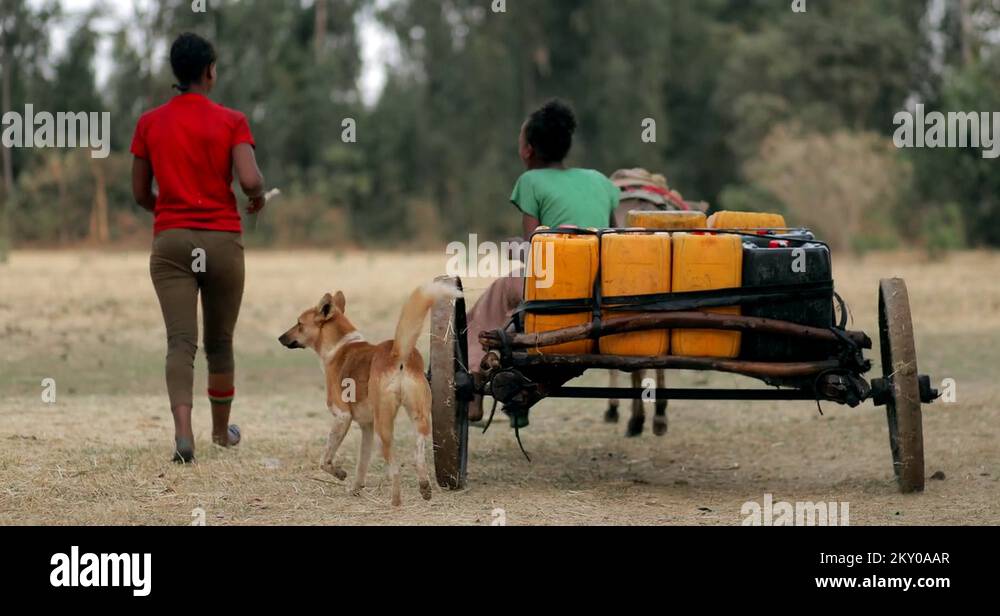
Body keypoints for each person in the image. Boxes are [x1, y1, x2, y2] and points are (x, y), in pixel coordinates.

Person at [131, 32, 267, 463]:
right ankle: (221, 434)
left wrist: (168, 215)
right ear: (209, 71)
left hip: (171, 241)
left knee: (180, 343)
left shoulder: (150, 122)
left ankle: (183, 436)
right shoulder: (232, 121)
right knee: (220, 342)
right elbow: (248, 180)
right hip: (222, 242)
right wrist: (258, 196)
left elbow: (139, 192)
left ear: (177, 72)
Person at [465, 99, 620, 420]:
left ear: (527, 150)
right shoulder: (600, 180)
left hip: (553, 287)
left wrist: (513, 247)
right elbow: (614, 240)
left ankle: (474, 380)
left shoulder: (530, 182)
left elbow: (535, 248)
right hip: (603, 290)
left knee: (493, 299)